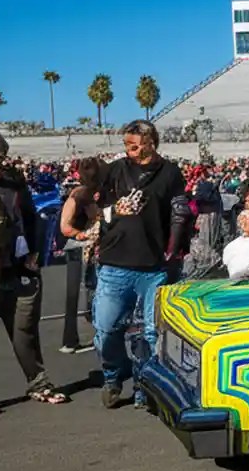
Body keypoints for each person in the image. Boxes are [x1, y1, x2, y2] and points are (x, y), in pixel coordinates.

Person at [0, 129, 69, 416]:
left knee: (25, 330)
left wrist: (35, 251)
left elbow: (31, 217)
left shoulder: (13, 180)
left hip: (20, 265)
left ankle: (39, 383)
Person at [93, 120, 186, 409]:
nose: (129, 149)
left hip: (153, 265)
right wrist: (111, 211)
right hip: (114, 261)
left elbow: (179, 212)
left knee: (150, 332)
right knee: (106, 329)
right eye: (126, 144)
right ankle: (112, 375)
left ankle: (144, 384)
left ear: (150, 142)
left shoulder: (170, 173)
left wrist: (174, 247)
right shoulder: (116, 170)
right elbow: (92, 206)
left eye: (134, 144)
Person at [59, 157, 103, 353]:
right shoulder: (78, 194)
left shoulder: (93, 193)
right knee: (77, 292)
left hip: (91, 246)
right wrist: (83, 234)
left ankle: (90, 334)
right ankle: (70, 339)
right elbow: (65, 226)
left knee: (91, 289)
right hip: (79, 246)